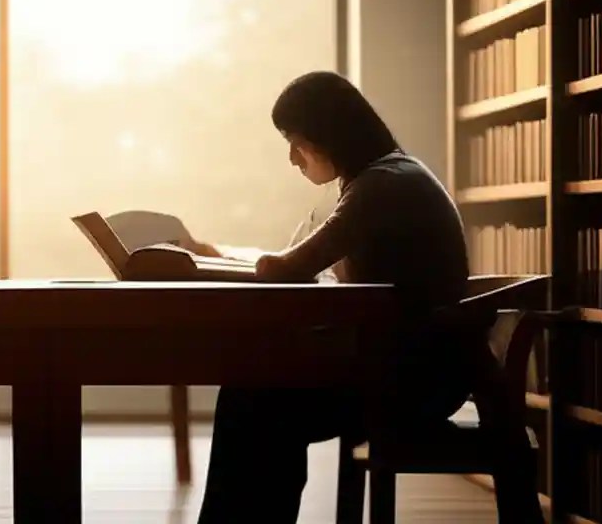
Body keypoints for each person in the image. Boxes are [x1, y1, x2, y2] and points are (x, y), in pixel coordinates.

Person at [186, 71, 518, 523]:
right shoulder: (392, 175)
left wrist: (218, 261)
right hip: (419, 370)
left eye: (295, 140)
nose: (292, 158)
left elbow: (289, 268)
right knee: (256, 394)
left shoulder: (380, 185)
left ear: (326, 135)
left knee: (254, 398)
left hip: (411, 381)